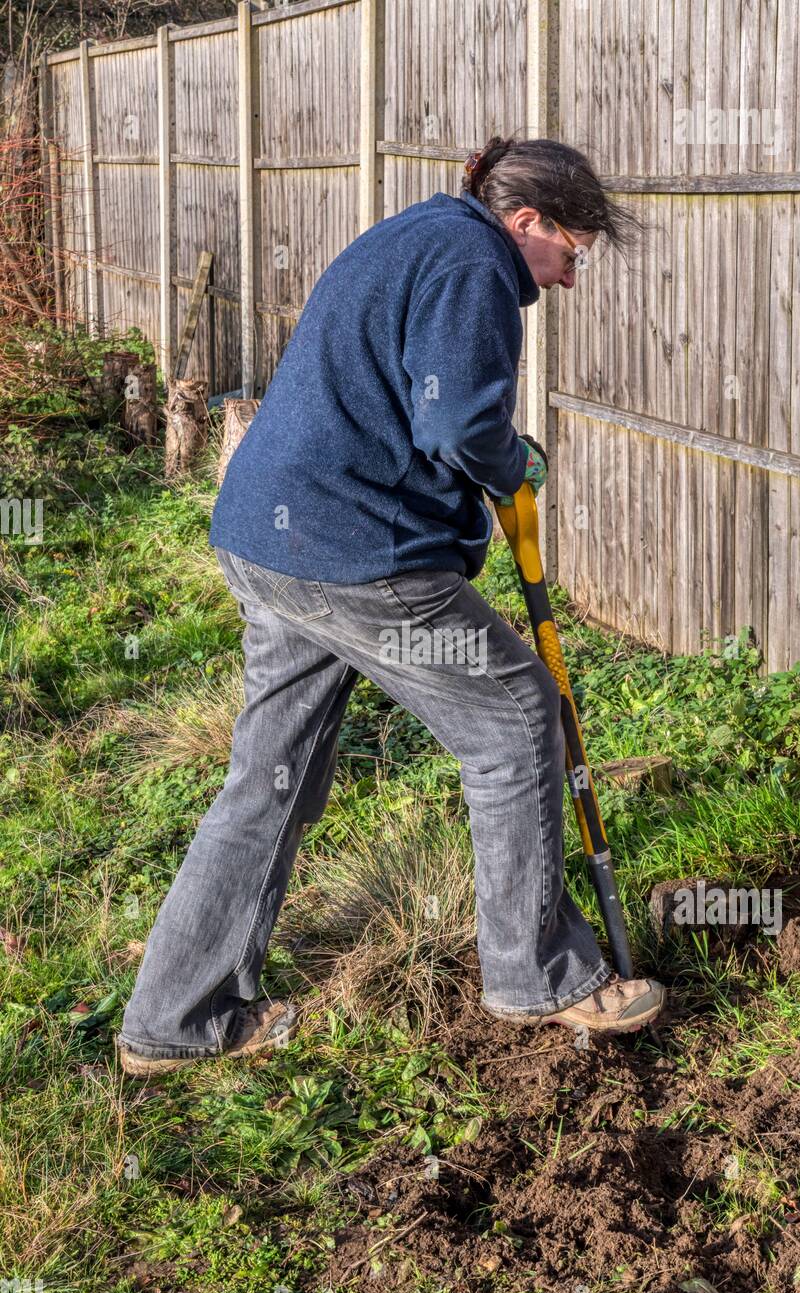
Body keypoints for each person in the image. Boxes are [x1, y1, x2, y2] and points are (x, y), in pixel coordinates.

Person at [117, 135, 666, 1078]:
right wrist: (510, 466)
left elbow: (418, 402)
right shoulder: (473, 264)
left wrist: (489, 462)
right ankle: (537, 976)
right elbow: (453, 418)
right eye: (571, 253)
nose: (570, 278)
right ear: (525, 221)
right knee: (514, 717)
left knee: (270, 777)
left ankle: (174, 1017)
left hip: (269, 539)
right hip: (352, 554)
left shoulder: (423, 235)